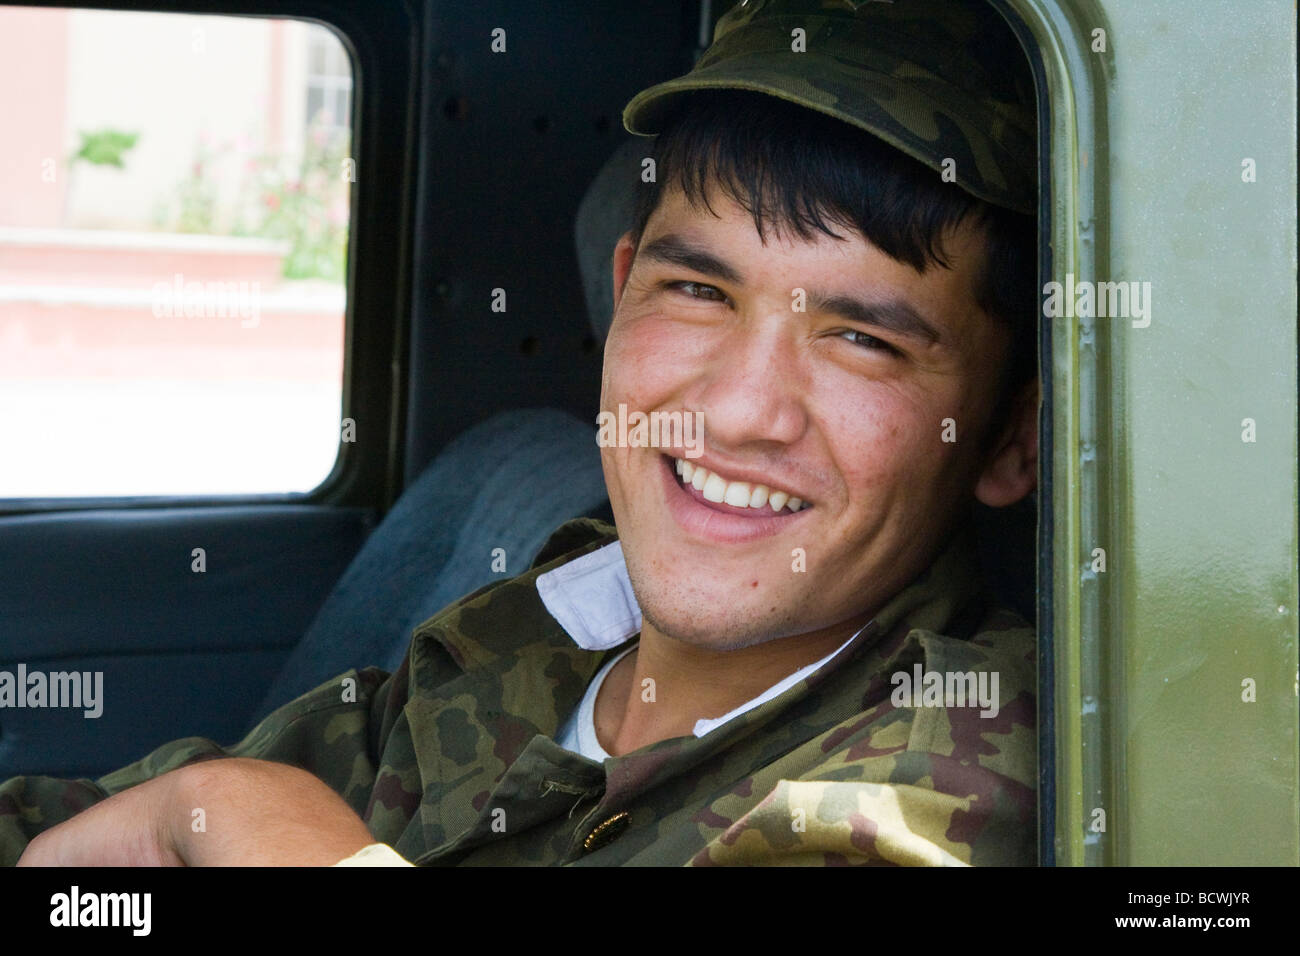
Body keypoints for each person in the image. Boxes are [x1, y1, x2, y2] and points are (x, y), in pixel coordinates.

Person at [2, 0, 1041, 867]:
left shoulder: (958, 767)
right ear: (621, 291)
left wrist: (243, 814)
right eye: (696, 290)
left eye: (862, 339)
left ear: (1009, 438)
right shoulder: (533, 634)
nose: (734, 410)